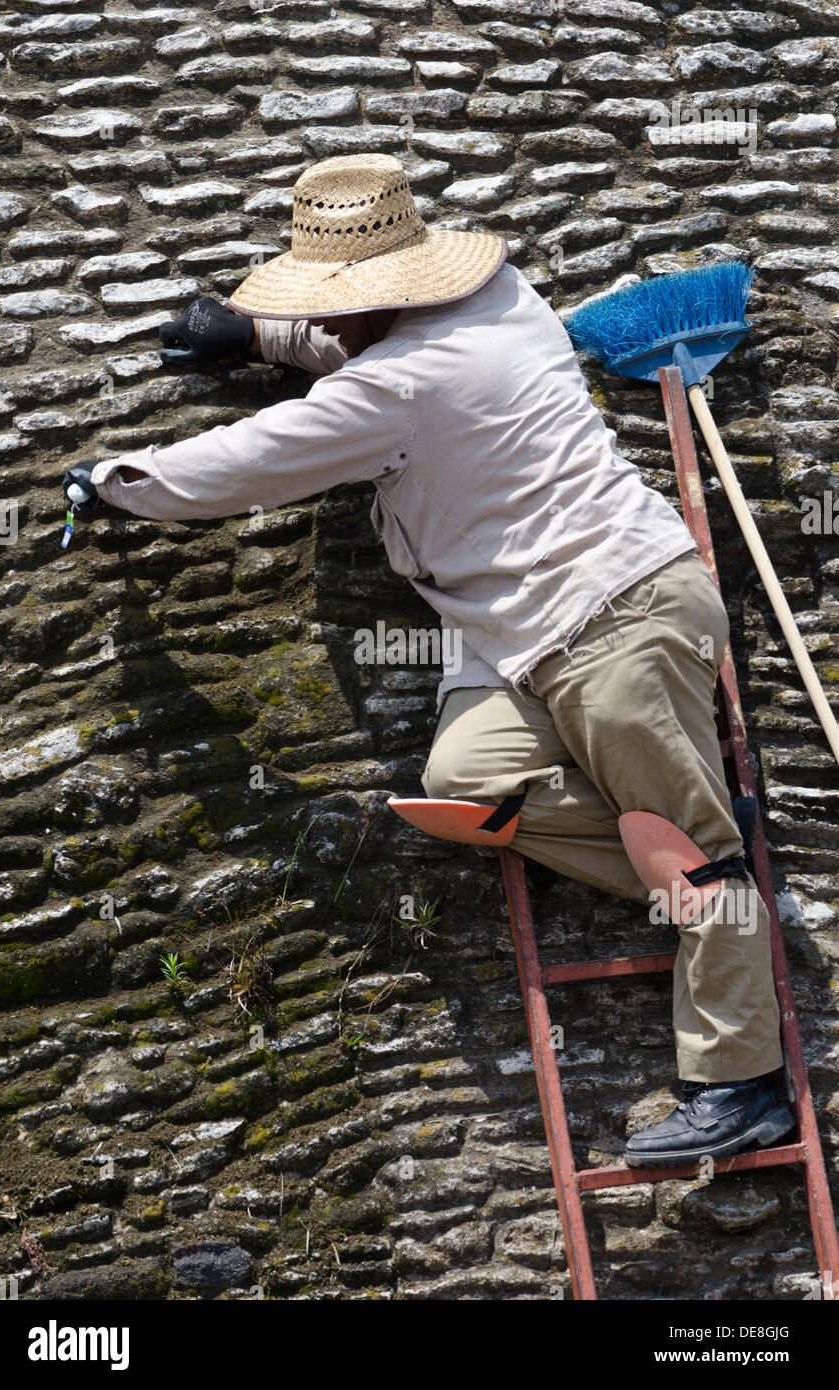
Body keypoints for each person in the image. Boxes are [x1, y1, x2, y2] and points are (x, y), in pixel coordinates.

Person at [63, 153, 793, 1166]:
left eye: (338, 308)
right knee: (465, 782)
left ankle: (742, 1083)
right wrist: (254, 335)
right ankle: (694, 844)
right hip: (527, 645)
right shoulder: (504, 294)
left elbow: (249, 462)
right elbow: (375, 363)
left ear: (381, 297)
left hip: (618, 618)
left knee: (701, 863)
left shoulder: (393, 385)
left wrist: (113, 480)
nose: (332, 326)